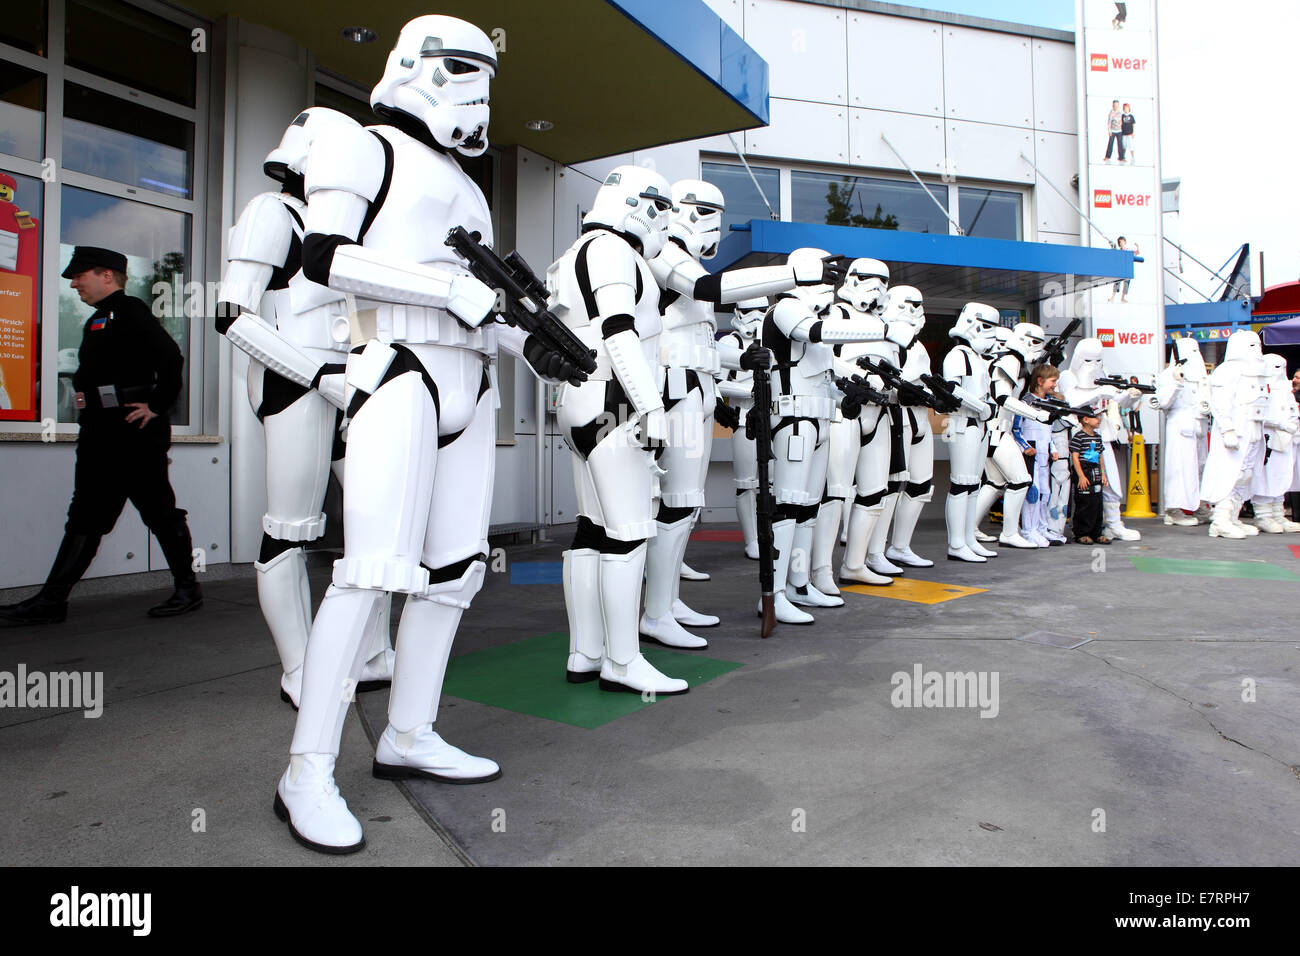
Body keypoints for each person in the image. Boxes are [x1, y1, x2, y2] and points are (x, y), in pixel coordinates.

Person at [1, 247, 201, 625]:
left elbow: (172, 358)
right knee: (86, 514)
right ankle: (51, 601)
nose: (74, 284)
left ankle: (188, 589)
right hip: (100, 429)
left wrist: (156, 406)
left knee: (158, 510)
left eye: (80, 276)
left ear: (107, 275)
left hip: (132, 429)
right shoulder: (98, 318)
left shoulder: (130, 311)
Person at [1018, 364, 1064, 546]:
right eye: (1053, 381)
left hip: (1044, 453)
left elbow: (1048, 431)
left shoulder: (1050, 404)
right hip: (1032, 453)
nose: (1055, 385)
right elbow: (1016, 429)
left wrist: (1052, 448)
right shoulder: (1025, 402)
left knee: (1045, 492)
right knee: (1033, 493)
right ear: (1040, 380)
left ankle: (1041, 528)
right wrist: (1025, 447)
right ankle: (1028, 530)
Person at [1070, 407, 1110, 544]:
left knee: (1097, 503)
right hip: (1084, 469)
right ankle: (1082, 533)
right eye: (1095, 417)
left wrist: (1103, 474)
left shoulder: (1098, 438)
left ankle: (1097, 533)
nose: (1098, 420)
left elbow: (1100, 457)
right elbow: (1075, 458)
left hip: (1096, 471)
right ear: (1085, 420)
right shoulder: (1078, 437)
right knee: (1084, 503)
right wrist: (1081, 476)